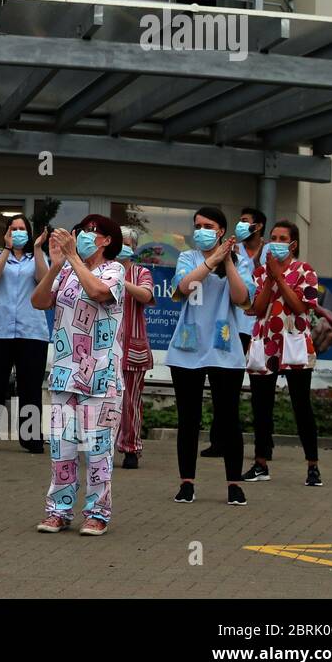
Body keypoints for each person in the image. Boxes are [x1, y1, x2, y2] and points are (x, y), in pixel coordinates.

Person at [32, 216, 125, 535]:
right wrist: (58, 264)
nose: (82, 237)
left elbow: (99, 292)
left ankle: (98, 512)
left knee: (98, 450)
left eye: (90, 233)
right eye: (80, 232)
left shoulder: (115, 270)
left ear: (106, 241)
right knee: (62, 448)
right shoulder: (68, 271)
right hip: (64, 372)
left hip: (102, 375)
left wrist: (72, 257)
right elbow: (39, 301)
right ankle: (58, 510)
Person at [166, 207, 251, 506]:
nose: (201, 230)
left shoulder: (240, 261)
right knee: (189, 419)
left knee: (228, 419)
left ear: (221, 232)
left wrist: (227, 260)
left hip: (224, 348)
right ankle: (186, 483)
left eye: (208, 225)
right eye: (197, 225)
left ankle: (234, 484)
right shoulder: (188, 258)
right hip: (187, 348)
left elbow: (242, 298)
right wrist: (212, 259)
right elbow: (185, 288)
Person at [243, 222, 324, 488]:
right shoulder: (259, 272)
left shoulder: (305, 271)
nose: (276, 241)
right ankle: (260, 463)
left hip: (294, 343)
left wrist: (279, 277)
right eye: (273, 237)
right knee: (261, 406)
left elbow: (301, 306)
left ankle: (312, 465)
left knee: (301, 404)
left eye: (283, 238)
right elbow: (257, 307)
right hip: (266, 342)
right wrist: (269, 277)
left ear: (293, 244)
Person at [0, 214, 50, 452]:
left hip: (31, 331)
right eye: (13, 229)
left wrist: (37, 249)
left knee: (30, 387)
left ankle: (31, 438)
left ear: (30, 232)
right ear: (7, 233)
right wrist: (6, 248)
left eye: (22, 229)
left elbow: (43, 279)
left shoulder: (37, 257)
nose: (18, 233)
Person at [201, 206, 265, 457]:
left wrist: (231, 257)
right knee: (218, 388)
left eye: (246, 222)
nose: (242, 225)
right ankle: (219, 441)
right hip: (222, 327)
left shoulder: (246, 257)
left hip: (242, 328)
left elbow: (244, 293)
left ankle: (240, 444)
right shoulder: (219, 253)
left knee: (230, 392)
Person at [113, 227, 156, 470]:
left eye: (126, 242)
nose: (122, 246)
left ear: (134, 247)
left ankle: (131, 448)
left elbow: (145, 294)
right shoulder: (101, 271)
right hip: (105, 349)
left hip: (133, 349)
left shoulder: (141, 272)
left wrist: (122, 281)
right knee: (105, 402)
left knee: (130, 402)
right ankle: (103, 446)